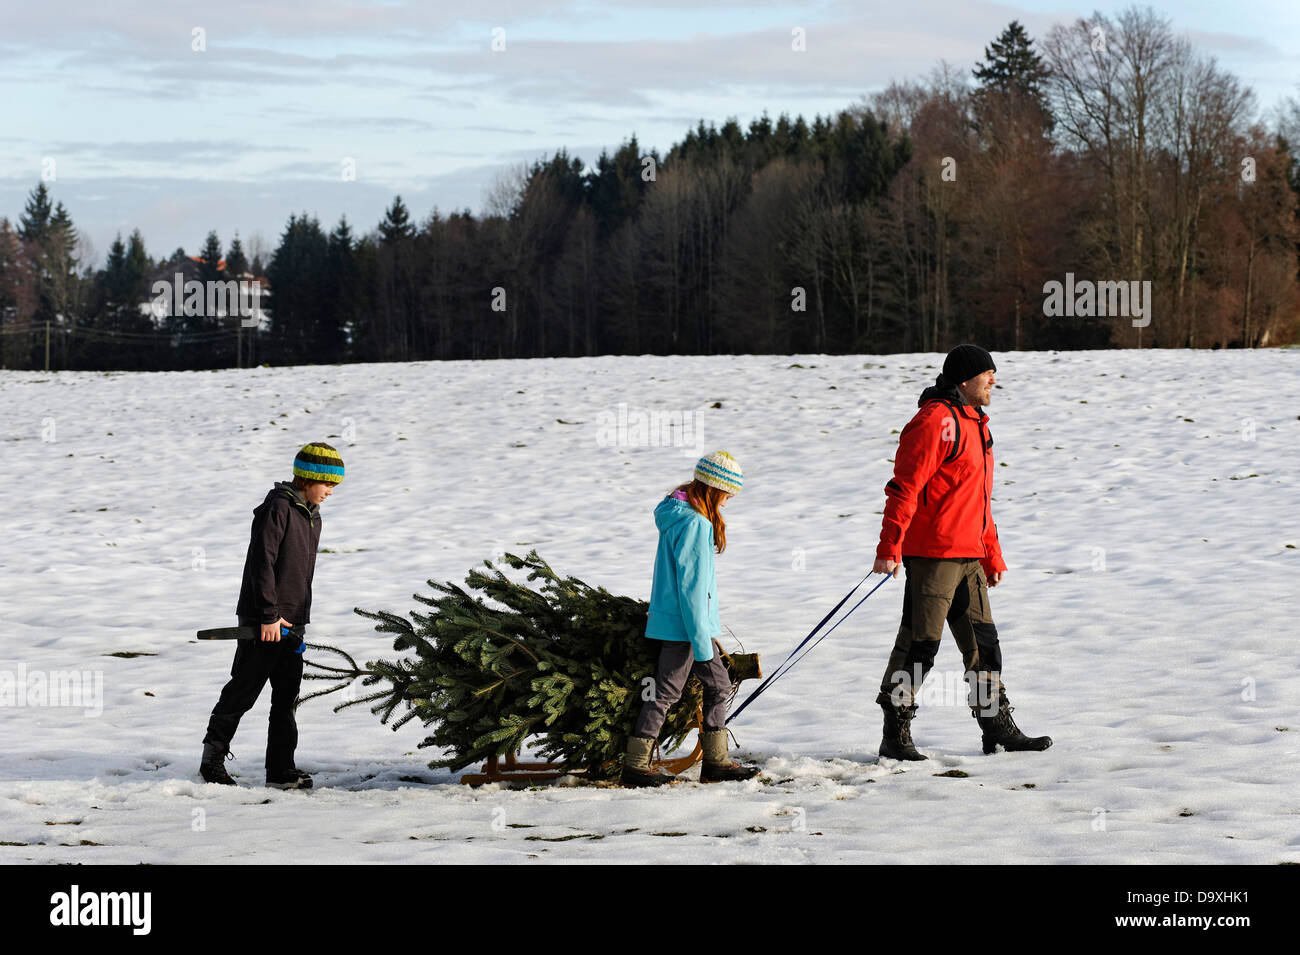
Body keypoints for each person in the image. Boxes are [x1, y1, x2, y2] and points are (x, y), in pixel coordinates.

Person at [872, 345, 1051, 760]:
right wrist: (889, 547)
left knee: (984, 647)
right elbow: (904, 488)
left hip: (970, 557)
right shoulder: (936, 421)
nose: (994, 380)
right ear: (965, 379)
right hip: (933, 556)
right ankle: (895, 733)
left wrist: (992, 554)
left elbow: (979, 500)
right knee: (919, 647)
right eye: (988, 373)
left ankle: (996, 725)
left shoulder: (978, 425)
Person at [199, 442, 345, 788]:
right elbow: (261, 564)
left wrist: (297, 620)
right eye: (328, 484)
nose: (330, 492)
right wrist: (266, 616)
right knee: (243, 691)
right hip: (262, 620)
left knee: (286, 698)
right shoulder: (278, 508)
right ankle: (212, 761)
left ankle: (280, 771)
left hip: (293, 622)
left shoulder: (311, 513)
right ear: (310, 477)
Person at [621, 451, 761, 787]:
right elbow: (692, 590)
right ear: (714, 490)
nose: (727, 504)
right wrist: (702, 641)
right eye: (726, 496)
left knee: (697, 687)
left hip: (679, 622)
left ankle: (709, 762)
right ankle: (646, 765)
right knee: (685, 688)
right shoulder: (695, 524)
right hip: (688, 626)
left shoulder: (677, 513)